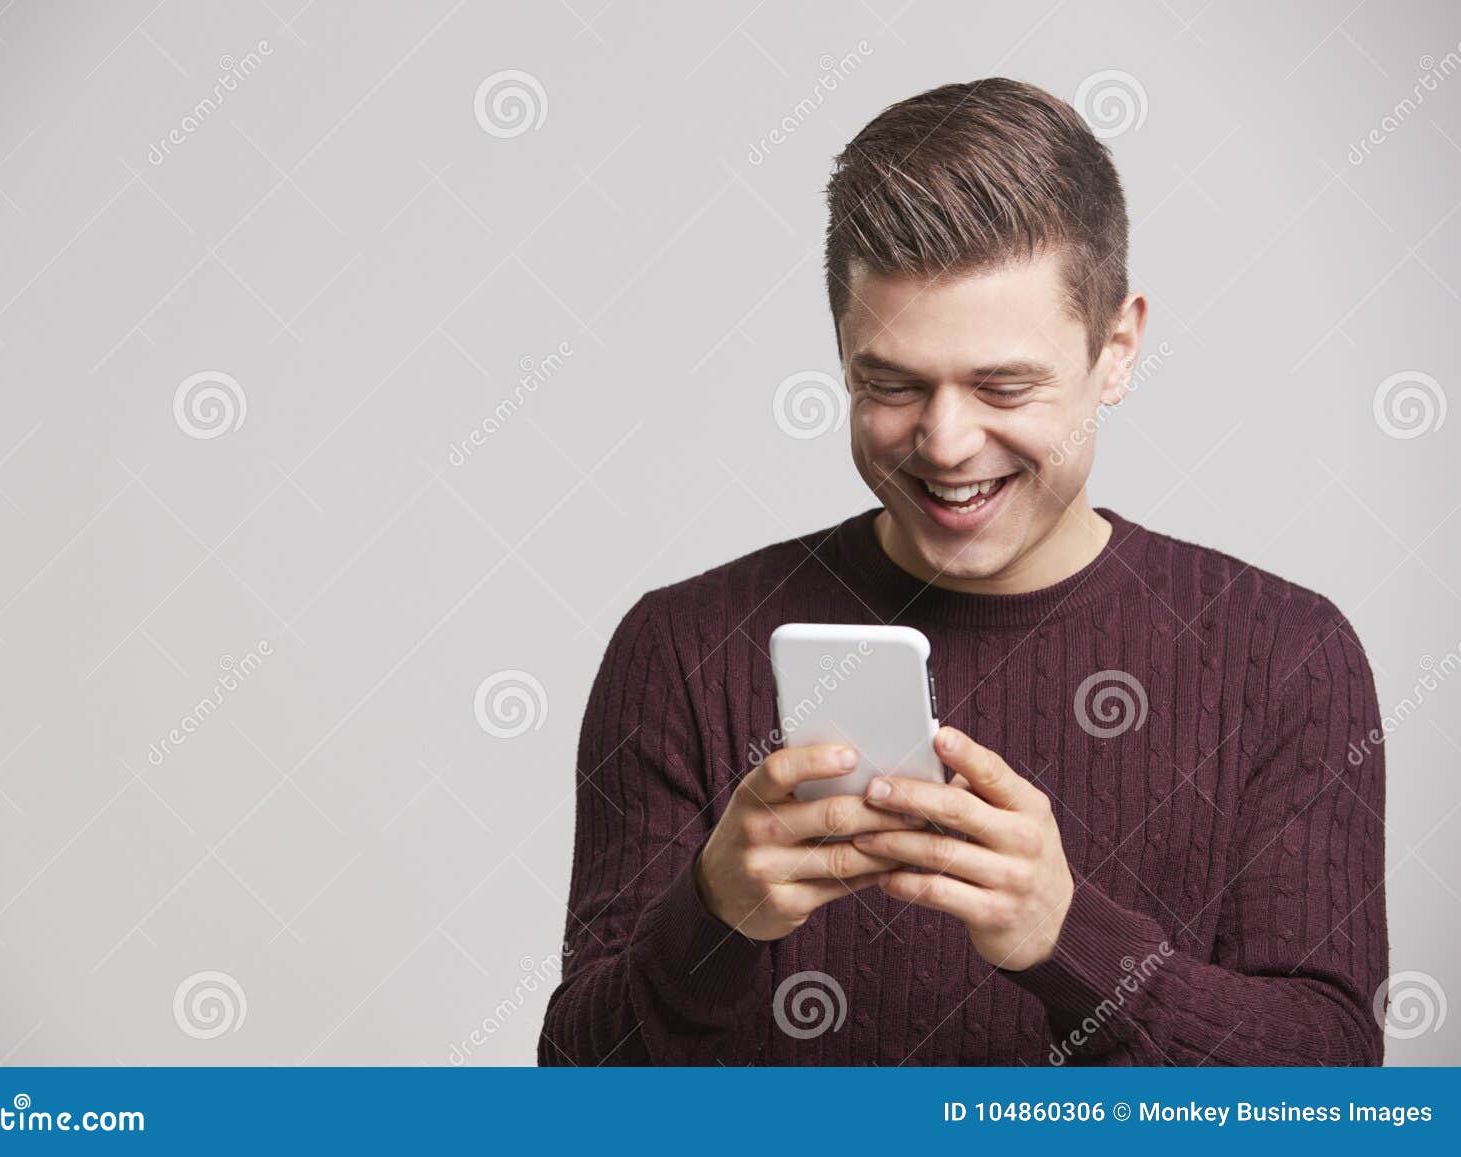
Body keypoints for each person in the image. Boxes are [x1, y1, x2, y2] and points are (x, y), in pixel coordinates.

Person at [538, 77, 1388, 1066]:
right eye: (891, 383)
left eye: (1004, 386)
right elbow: (575, 1086)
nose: (944, 444)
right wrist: (712, 918)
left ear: (1116, 349)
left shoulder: (1285, 656)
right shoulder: (682, 650)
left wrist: (1070, 939)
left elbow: (1333, 1091)